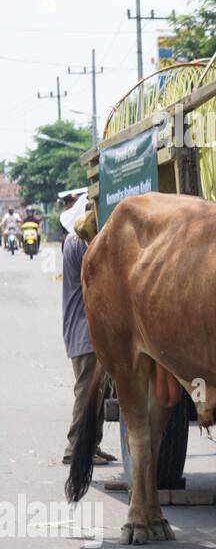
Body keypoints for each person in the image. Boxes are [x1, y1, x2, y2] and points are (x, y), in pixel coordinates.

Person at [60, 195, 113, 465]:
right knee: (87, 391)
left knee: (98, 390)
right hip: (83, 330)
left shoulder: (75, 241)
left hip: (84, 330)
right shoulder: (78, 243)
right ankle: (75, 448)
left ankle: (92, 445)